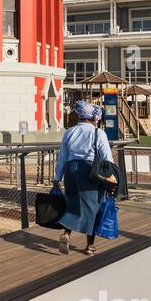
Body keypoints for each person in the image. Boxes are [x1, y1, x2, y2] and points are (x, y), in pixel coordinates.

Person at [52, 100, 116, 255]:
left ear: (80, 115)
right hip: (90, 171)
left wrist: (57, 178)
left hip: (71, 170)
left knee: (73, 204)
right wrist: (112, 178)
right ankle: (90, 245)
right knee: (93, 206)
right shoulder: (98, 133)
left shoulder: (69, 132)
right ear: (93, 118)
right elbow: (107, 158)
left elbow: (62, 157)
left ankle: (66, 234)